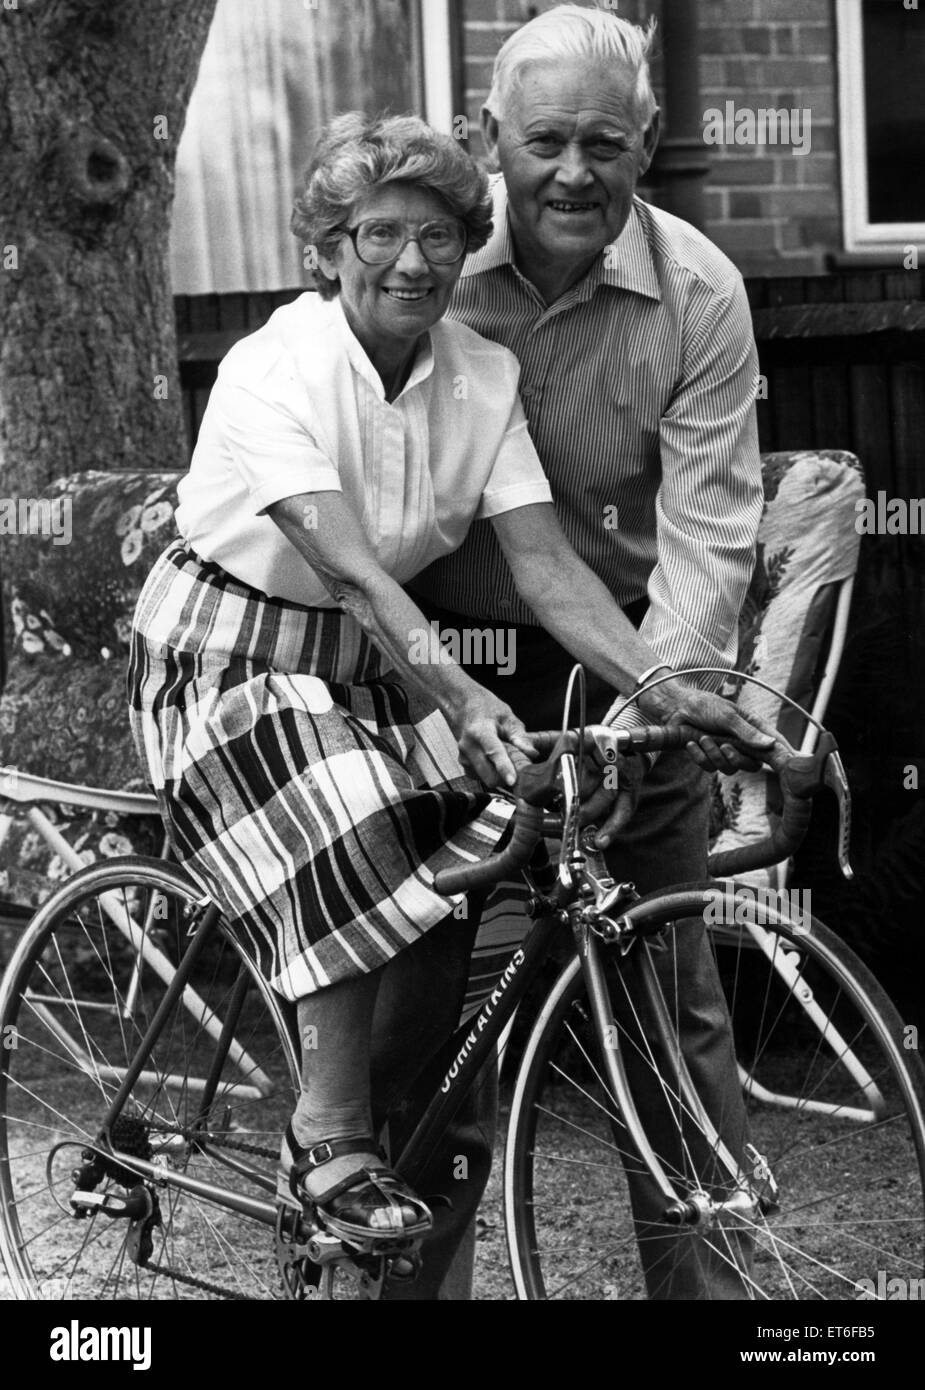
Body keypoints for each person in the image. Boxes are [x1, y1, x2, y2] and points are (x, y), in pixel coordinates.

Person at [128, 111, 770, 1296]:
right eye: (379, 233)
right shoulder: (274, 366)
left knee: (475, 825)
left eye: (438, 235)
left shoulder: (482, 374)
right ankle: (328, 1130)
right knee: (357, 793)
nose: (413, 262)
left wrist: (674, 686)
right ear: (326, 250)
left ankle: (395, 1172)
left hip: (364, 668)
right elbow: (359, 577)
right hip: (220, 659)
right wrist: (464, 694)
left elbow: (546, 568)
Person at [408, 5, 766, 1299]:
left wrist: (649, 712)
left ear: (648, 143)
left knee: (673, 1040)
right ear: (489, 139)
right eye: (543, 139)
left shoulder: (700, 292)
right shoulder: (423, 272)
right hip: (441, 684)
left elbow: (711, 535)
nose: (571, 170)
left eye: (601, 141)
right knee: (433, 1036)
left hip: (626, 672)